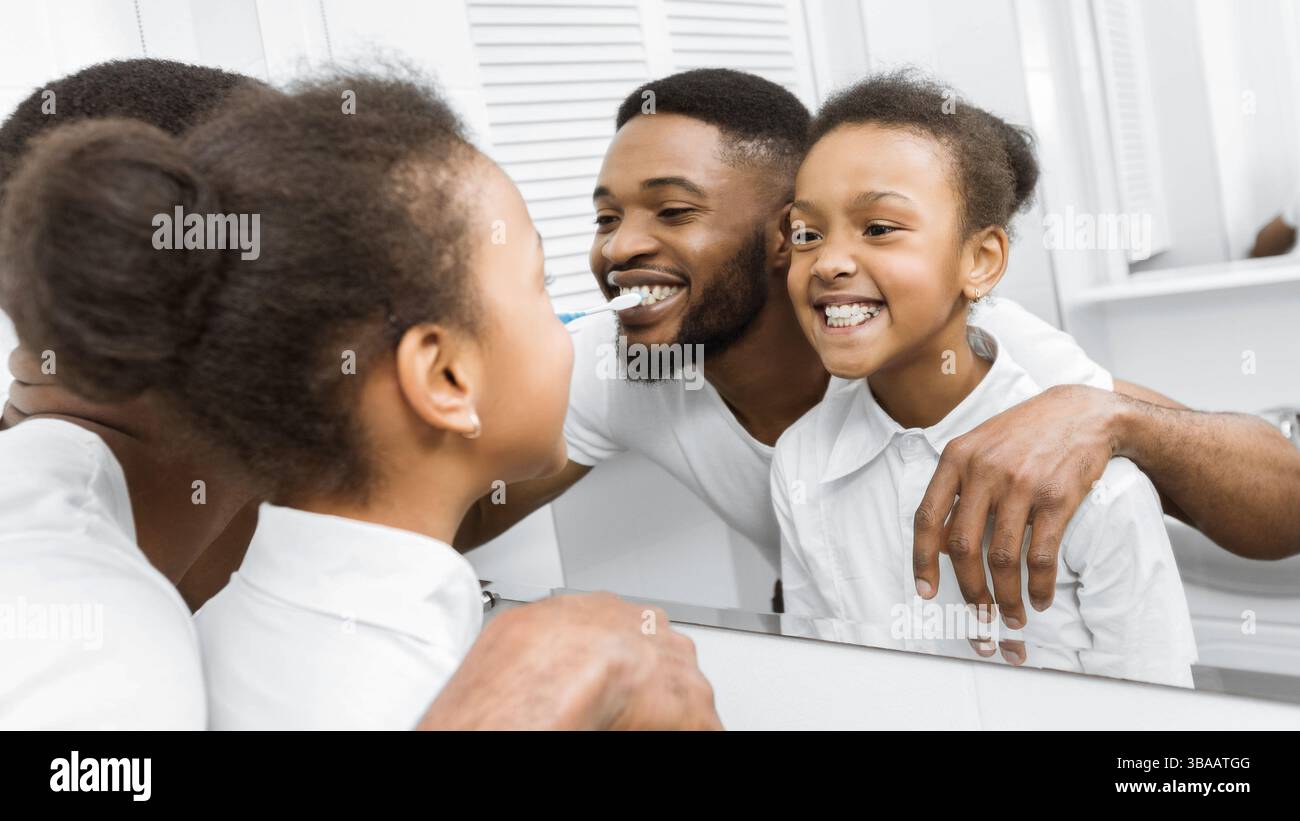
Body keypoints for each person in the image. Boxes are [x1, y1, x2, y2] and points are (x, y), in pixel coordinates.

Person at [0, 60, 719, 731]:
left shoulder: (213, 625)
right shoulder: (100, 635)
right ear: (442, 377)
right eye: (540, 287)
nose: (562, 327)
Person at [457, 69, 1300, 629]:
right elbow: (441, 507)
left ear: (790, 233)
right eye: (606, 218)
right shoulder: (633, 361)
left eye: (673, 213)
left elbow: (1285, 503)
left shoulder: (966, 345)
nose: (616, 249)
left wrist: (1109, 417)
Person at [771, 74, 1197, 687]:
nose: (830, 261)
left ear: (980, 261)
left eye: (879, 228)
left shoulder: (1098, 487)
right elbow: (821, 681)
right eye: (808, 234)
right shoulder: (801, 460)